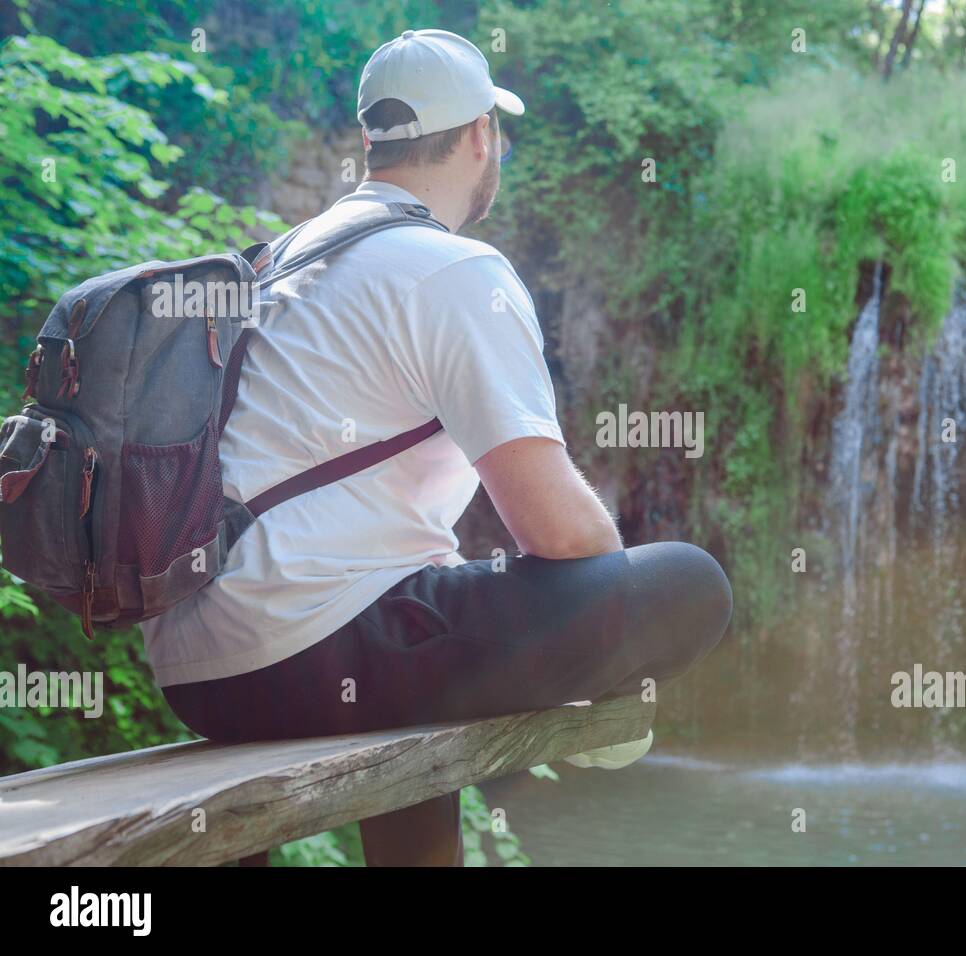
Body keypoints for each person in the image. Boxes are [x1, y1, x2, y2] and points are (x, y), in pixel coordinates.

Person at [143, 29, 732, 866]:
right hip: (304, 653)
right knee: (689, 585)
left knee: (429, 613)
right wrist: (607, 658)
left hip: (199, 678)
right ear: (483, 134)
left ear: (371, 140)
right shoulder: (456, 271)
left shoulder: (280, 261)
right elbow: (559, 536)